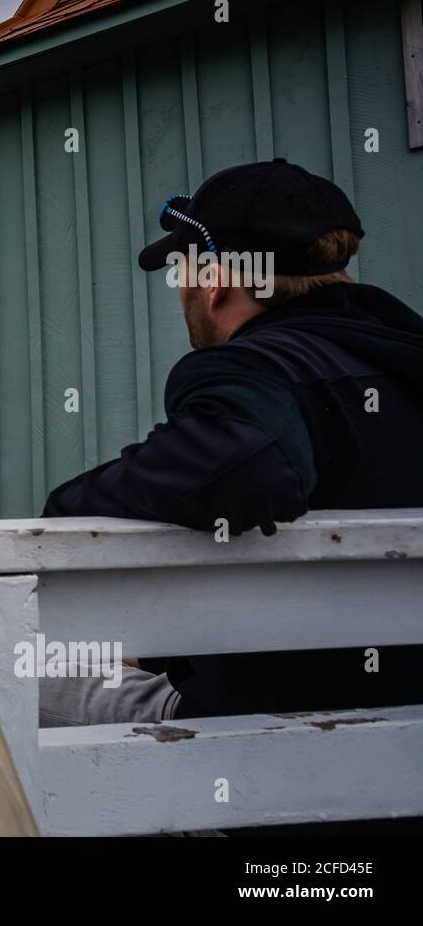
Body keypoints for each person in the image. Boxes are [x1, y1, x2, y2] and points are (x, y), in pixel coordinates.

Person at [38, 158, 423, 726]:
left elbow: (253, 467)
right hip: (400, 727)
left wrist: (66, 510)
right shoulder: (401, 359)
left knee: (8, 664)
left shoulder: (248, 369)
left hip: (265, 744)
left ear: (216, 279)